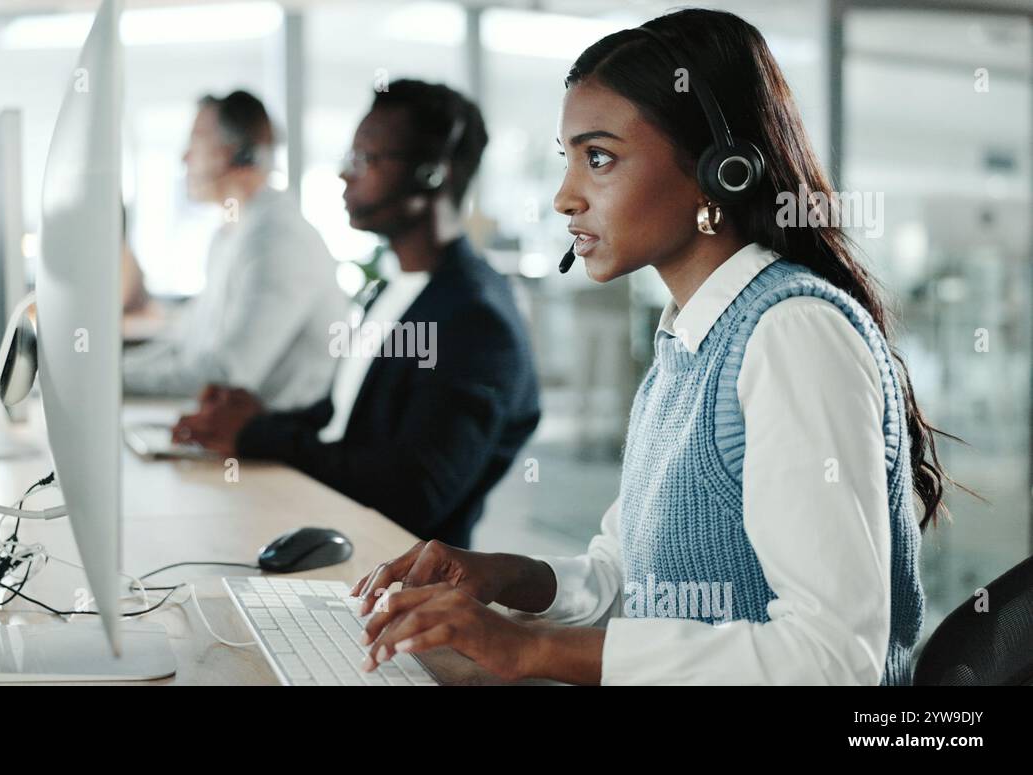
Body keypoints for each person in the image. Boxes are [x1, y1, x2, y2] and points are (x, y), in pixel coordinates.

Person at [351, 9, 956, 686]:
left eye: (599, 158)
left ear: (716, 172)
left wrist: (535, 651)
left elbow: (833, 658)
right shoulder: (688, 337)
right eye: (568, 159)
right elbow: (630, 581)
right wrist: (506, 577)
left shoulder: (791, 334)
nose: (564, 197)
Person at [174, 80, 541, 549]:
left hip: (398, 576)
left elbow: (412, 494)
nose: (345, 175)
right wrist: (251, 418)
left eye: (364, 159)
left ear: (432, 174)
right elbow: (343, 423)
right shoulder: (389, 288)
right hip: (334, 532)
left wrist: (259, 435)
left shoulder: (474, 320)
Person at [122, 90, 343, 410]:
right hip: (231, 440)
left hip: (273, 451)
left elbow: (227, 376)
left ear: (239, 155)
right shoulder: (229, 237)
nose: (184, 158)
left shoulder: (278, 241)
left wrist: (105, 381)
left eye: (196, 140)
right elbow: (186, 349)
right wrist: (106, 373)